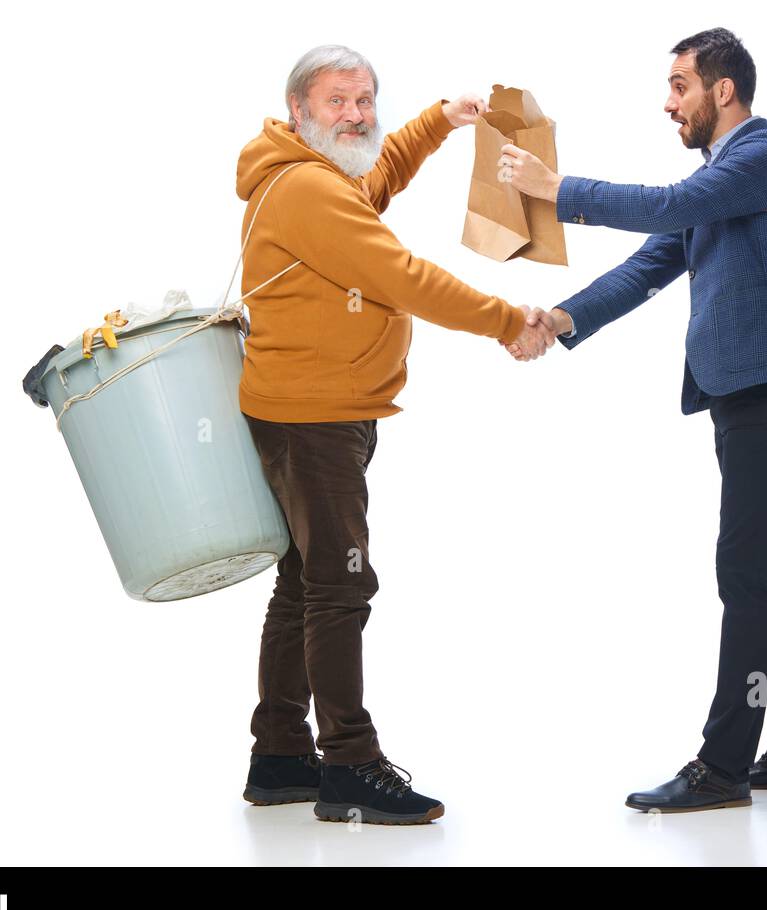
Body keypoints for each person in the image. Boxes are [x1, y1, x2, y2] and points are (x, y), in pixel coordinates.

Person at [502, 27, 767, 812]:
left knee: (746, 571)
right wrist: (560, 317)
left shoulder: (763, 155)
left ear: (723, 91)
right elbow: (653, 260)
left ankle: (723, 765)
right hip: (747, 391)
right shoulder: (727, 178)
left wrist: (558, 189)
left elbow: (670, 204)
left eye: (680, 84)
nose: (668, 100)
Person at [235, 44, 554, 826]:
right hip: (314, 420)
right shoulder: (310, 189)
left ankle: (278, 753)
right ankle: (348, 762)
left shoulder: (311, 174)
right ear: (299, 111)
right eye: (338, 102)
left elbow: (374, 180)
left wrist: (439, 122)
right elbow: (402, 275)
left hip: (302, 410)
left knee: (304, 583)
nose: (356, 115)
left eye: (365, 100)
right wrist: (510, 319)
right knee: (342, 585)